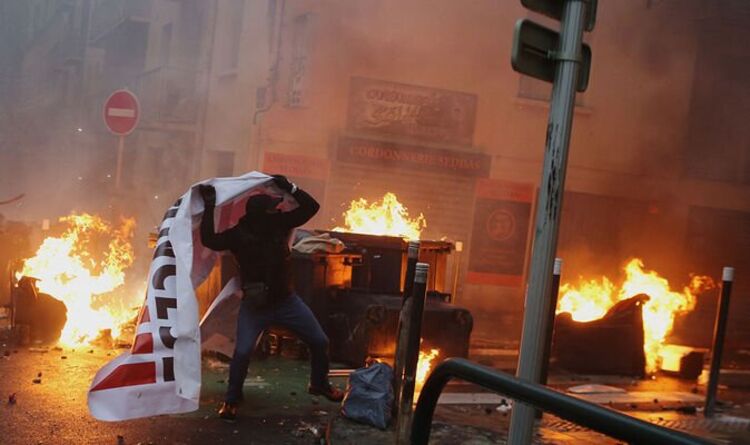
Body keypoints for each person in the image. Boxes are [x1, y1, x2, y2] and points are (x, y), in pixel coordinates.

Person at [198, 175, 343, 422]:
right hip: (255, 307)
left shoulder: (278, 224)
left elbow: (311, 207)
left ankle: (319, 384)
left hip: (286, 301)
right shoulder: (242, 233)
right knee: (242, 353)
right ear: (263, 213)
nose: (278, 209)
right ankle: (232, 400)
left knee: (319, 341)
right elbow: (209, 240)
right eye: (272, 208)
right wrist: (209, 206)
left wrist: (291, 186)